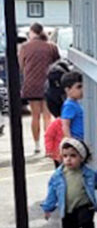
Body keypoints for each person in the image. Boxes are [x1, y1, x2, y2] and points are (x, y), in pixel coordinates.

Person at [18, 22, 60, 154]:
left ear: (32, 32)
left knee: (34, 115)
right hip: (47, 85)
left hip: (31, 85)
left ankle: (36, 146)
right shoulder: (51, 47)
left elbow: (20, 66)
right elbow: (57, 64)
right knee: (47, 117)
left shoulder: (25, 47)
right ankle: (48, 146)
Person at [60, 71, 85, 141]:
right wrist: (70, 141)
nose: (82, 90)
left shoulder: (76, 104)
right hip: (77, 140)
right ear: (68, 90)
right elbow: (65, 125)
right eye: (78, 87)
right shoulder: (69, 105)